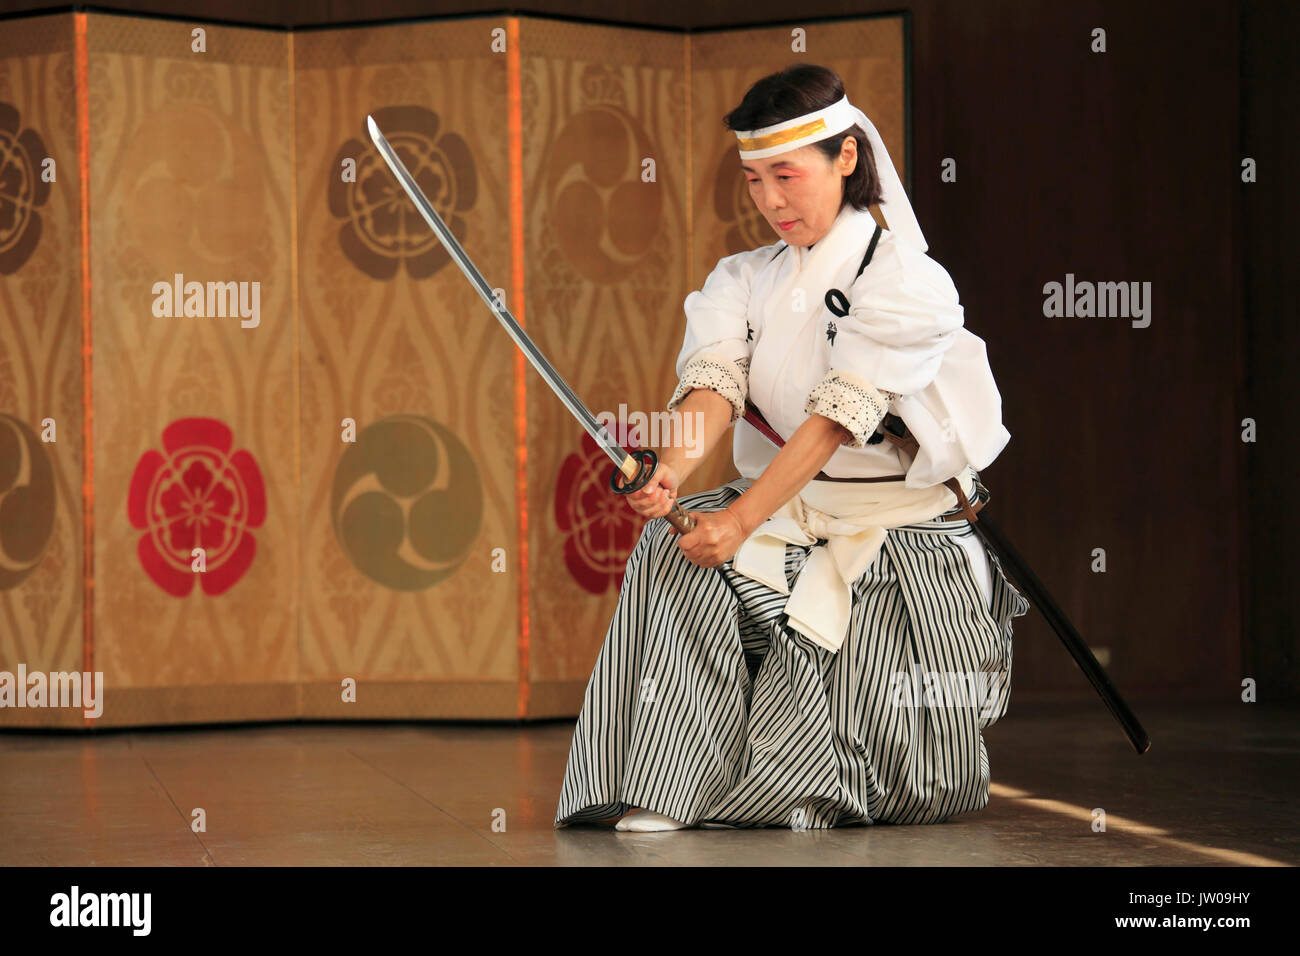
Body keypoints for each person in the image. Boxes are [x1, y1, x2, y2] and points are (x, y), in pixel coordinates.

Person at [553, 64, 1029, 832]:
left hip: (902, 540)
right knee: (674, 551)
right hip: (789, 510)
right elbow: (715, 386)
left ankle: (778, 784)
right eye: (753, 180)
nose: (771, 200)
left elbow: (837, 418)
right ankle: (664, 784)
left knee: (866, 750)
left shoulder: (910, 282)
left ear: (847, 158)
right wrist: (668, 470)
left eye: (787, 175)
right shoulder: (742, 277)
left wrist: (739, 521)